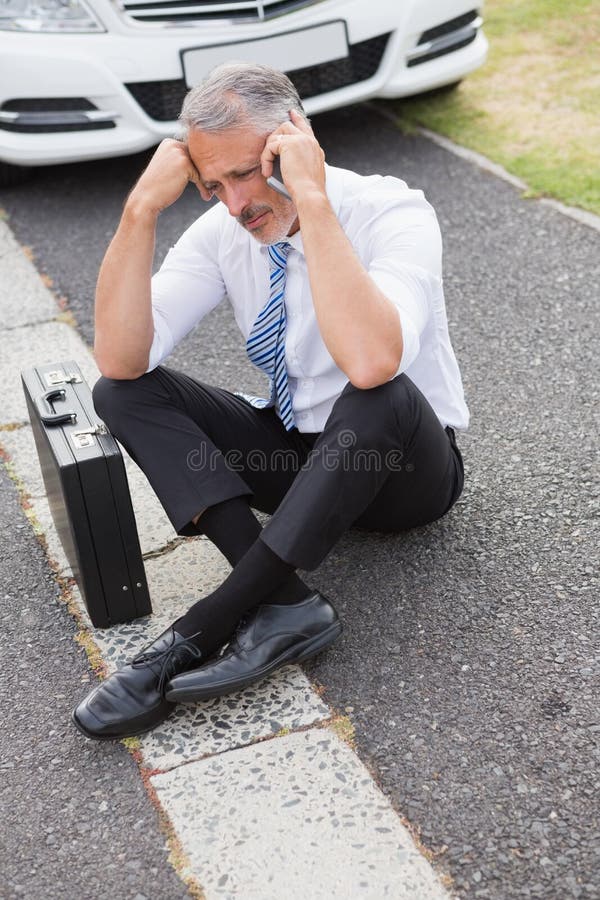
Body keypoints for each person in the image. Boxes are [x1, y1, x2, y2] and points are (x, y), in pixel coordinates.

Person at [72, 62, 468, 741]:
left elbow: (372, 361)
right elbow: (121, 356)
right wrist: (140, 210)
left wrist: (310, 203)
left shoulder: (390, 211)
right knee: (121, 391)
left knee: (379, 391)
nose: (233, 203)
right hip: (301, 460)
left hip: (404, 470)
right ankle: (286, 601)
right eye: (212, 184)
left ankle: (205, 624)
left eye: (246, 173)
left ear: (295, 141)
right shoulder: (223, 233)